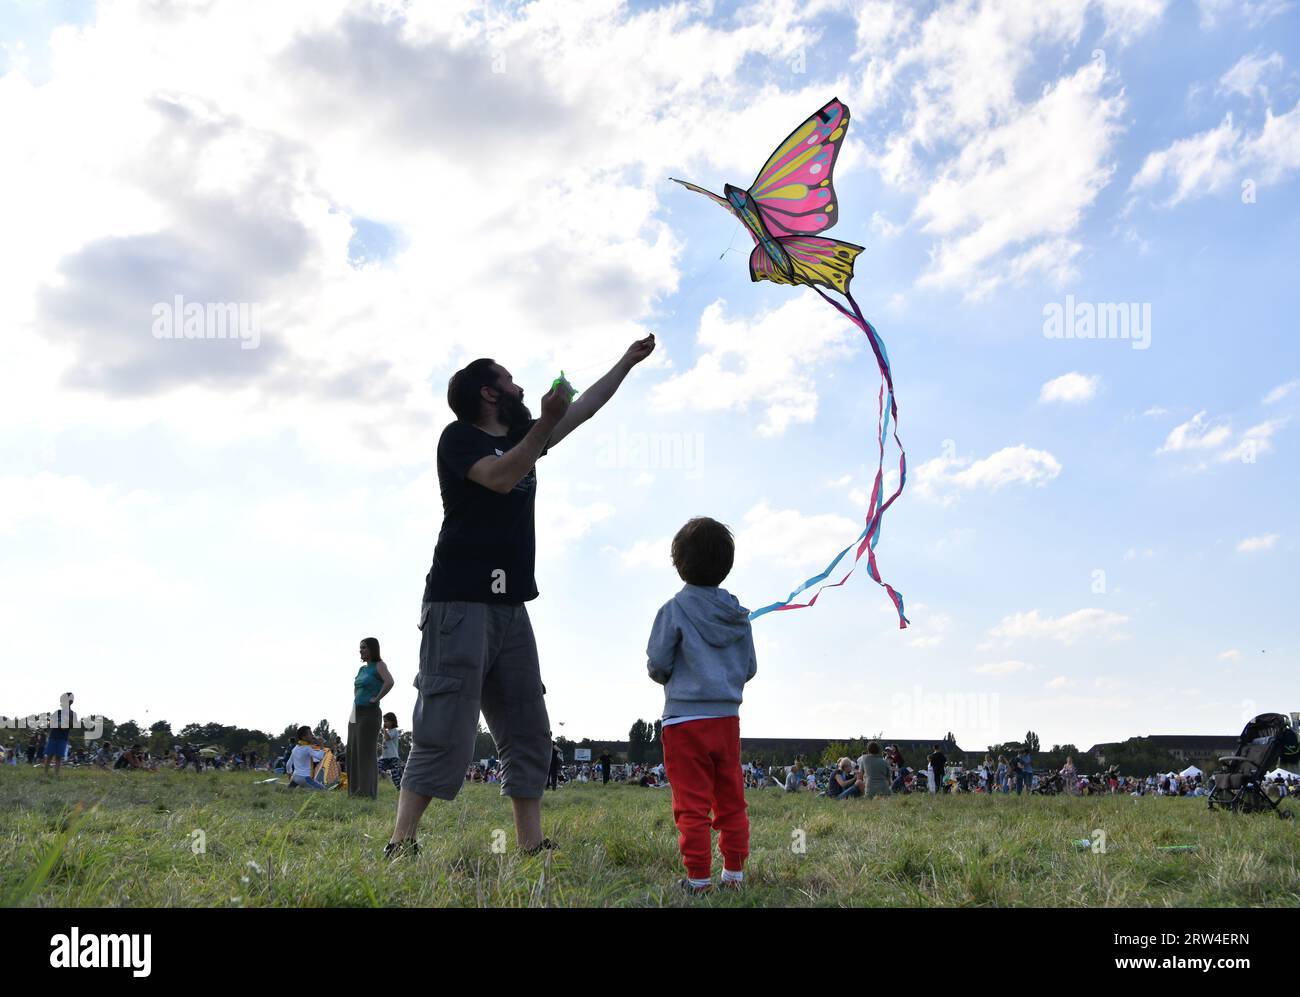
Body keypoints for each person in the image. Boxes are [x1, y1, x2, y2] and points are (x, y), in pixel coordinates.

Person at [387, 338, 655, 859]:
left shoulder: (519, 436)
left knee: (530, 729)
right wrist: (540, 426)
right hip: (458, 603)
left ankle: (531, 844)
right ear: (488, 392)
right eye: (510, 380)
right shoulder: (458, 438)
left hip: (511, 607)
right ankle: (401, 843)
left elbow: (582, 411)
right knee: (445, 730)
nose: (521, 387)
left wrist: (624, 361)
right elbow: (502, 477)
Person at [647, 517, 757, 895]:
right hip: (726, 720)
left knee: (691, 803)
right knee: (731, 799)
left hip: (684, 721)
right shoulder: (739, 616)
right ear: (727, 564)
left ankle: (697, 880)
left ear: (678, 562)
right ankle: (735, 875)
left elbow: (659, 666)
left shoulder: (673, 610)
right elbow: (750, 669)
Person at [348, 637, 394, 799]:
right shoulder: (362, 670)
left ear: (373, 649)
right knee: (353, 750)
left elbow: (389, 682)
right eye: (360, 648)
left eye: (364, 648)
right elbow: (356, 689)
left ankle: (367, 792)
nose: (361, 651)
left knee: (365, 753)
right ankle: (354, 791)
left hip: (370, 712)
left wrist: (376, 698)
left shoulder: (379, 665)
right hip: (355, 712)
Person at [42, 693, 77, 777]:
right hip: (53, 736)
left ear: (71, 702)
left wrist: (68, 722)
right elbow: (50, 724)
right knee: (49, 756)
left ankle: (56, 775)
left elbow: (74, 725)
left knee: (58, 757)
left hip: (63, 738)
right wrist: (58, 725)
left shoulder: (72, 714)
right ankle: (45, 774)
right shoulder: (57, 712)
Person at [379, 713, 404, 790]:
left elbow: (387, 738)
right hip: (385, 757)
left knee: (395, 775)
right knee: (377, 768)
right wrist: (380, 747)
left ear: (392, 721)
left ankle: (400, 789)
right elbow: (386, 745)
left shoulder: (394, 731)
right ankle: (383, 777)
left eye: (386, 721)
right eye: (384, 721)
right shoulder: (387, 732)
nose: (384, 723)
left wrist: (383, 729)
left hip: (393, 757)